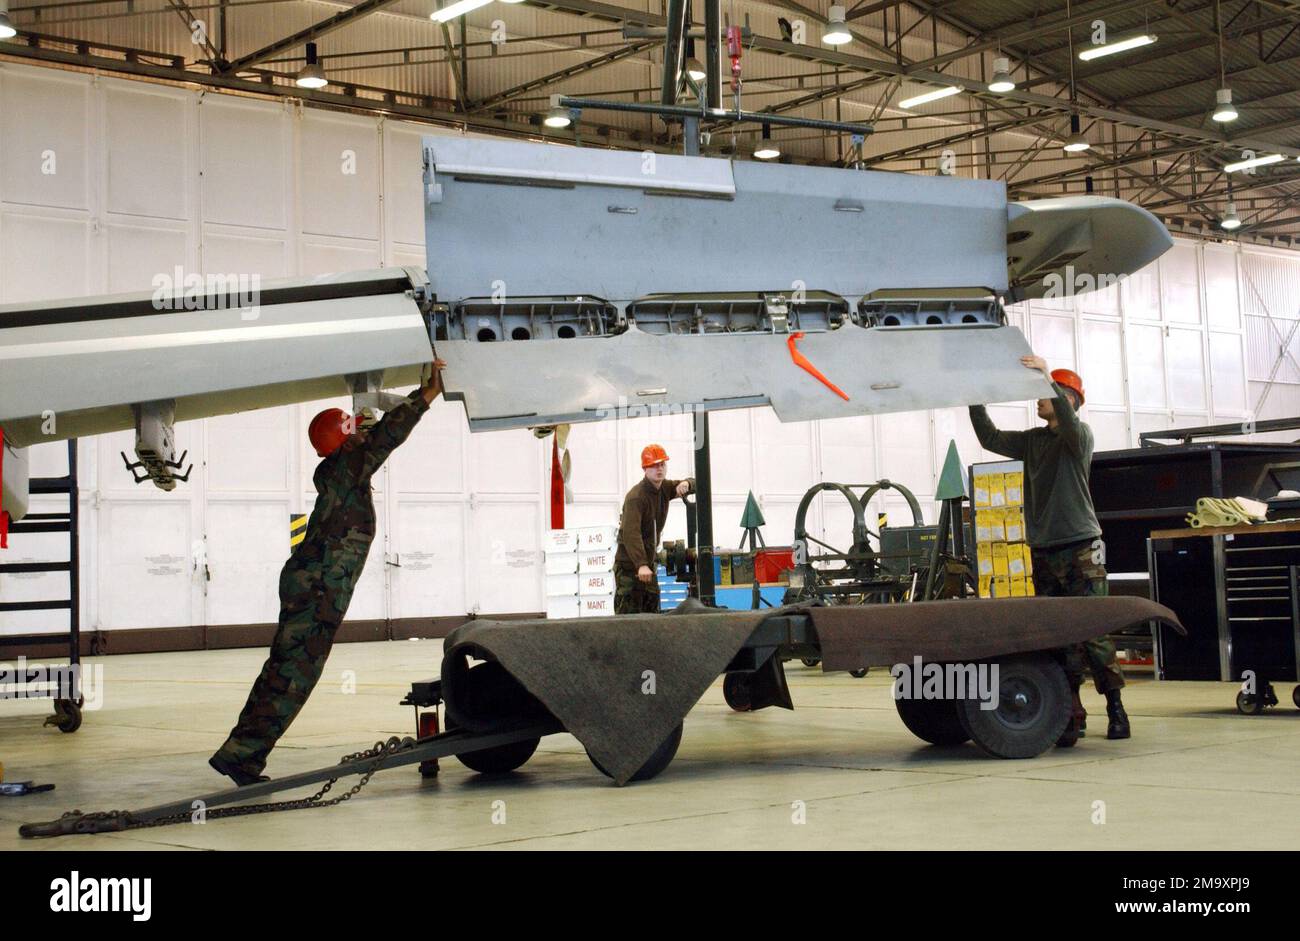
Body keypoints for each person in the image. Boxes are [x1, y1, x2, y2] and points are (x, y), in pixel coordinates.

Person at [210, 358, 447, 785]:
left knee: (287, 669)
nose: (359, 435)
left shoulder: (342, 471)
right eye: (351, 433)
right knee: (292, 674)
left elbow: (373, 437)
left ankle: (242, 751)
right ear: (343, 442)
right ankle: (241, 755)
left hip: (312, 583)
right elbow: (386, 437)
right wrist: (426, 394)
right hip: (317, 588)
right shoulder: (345, 468)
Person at [968, 355, 1130, 742]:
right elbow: (990, 438)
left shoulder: (1079, 436)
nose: (1036, 401)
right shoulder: (1032, 441)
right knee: (1058, 637)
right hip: (1043, 550)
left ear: (1068, 399)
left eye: (1044, 395)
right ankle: (1070, 712)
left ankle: (1116, 709)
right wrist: (974, 397)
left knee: (1095, 633)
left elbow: (1068, 420)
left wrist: (1044, 376)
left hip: (1081, 547)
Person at [614, 444, 695, 614]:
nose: (659, 469)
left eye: (662, 465)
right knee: (628, 618)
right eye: (654, 465)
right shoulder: (636, 498)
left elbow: (697, 482)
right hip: (630, 567)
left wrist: (687, 483)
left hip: (648, 566)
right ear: (645, 468)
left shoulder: (664, 488)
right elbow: (631, 534)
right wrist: (641, 564)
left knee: (652, 616)